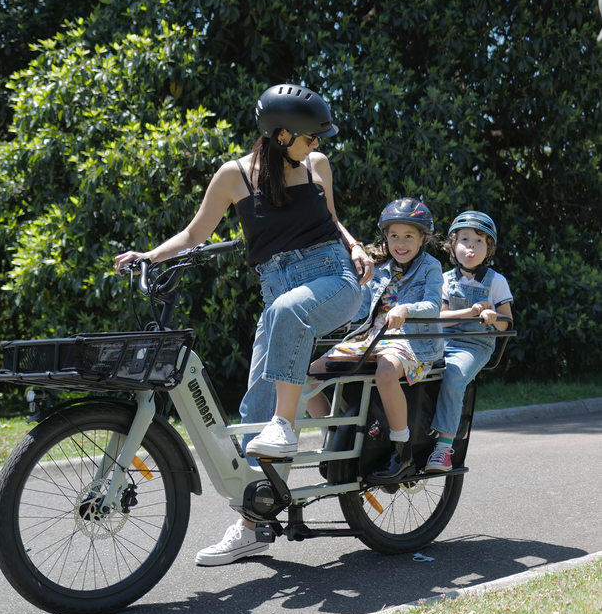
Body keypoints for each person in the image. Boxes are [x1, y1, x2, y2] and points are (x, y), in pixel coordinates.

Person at [115, 83, 373, 565]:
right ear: (280, 135)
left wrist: (356, 246)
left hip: (333, 280)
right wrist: (148, 255)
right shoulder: (234, 177)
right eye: (309, 137)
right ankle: (254, 523)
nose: (317, 145)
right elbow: (196, 233)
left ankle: (285, 425)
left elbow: (333, 220)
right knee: (252, 406)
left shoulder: (317, 168)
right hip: (279, 292)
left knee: (284, 325)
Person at [309, 198, 443, 483]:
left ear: (423, 238)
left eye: (409, 236)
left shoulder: (431, 267)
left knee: (385, 372)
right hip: (371, 336)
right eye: (394, 235)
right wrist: (326, 316)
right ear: (386, 237)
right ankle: (333, 441)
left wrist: (405, 310)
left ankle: (402, 450)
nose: (400, 243)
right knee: (309, 373)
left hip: (410, 340)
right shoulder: (379, 268)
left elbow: (433, 305)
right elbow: (359, 312)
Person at [425, 210, 513, 472]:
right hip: (443, 341)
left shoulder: (496, 281)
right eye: (465, 240)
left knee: (454, 375)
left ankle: (443, 449)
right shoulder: (444, 279)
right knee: (408, 368)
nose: (471, 247)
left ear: (489, 249)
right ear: (453, 246)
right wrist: (470, 311)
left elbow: (507, 322)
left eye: (479, 241)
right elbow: (439, 318)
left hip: (476, 345)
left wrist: (491, 316)